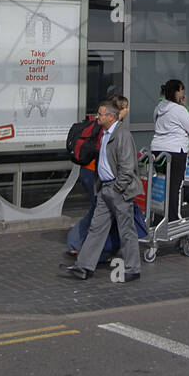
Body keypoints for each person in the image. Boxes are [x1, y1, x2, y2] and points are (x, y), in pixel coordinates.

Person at [59, 99, 141, 281]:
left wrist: (118, 187)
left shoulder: (122, 135)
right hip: (104, 188)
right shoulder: (104, 134)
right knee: (96, 228)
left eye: (101, 114)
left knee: (126, 230)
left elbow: (127, 167)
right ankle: (84, 266)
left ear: (111, 117)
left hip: (117, 189)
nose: (97, 117)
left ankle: (132, 268)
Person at [65, 95, 129, 261]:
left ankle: (76, 244)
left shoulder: (102, 126)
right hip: (96, 175)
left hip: (89, 171)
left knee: (97, 212)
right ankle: (101, 251)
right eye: (126, 108)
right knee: (103, 216)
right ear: (117, 111)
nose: (128, 111)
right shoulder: (109, 128)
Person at [151, 79, 189, 222]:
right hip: (175, 150)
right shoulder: (178, 110)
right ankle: (173, 217)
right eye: (181, 90)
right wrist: (185, 106)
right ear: (176, 92)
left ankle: (158, 216)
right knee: (175, 185)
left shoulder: (158, 108)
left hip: (157, 149)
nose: (183, 94)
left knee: (160, 183)